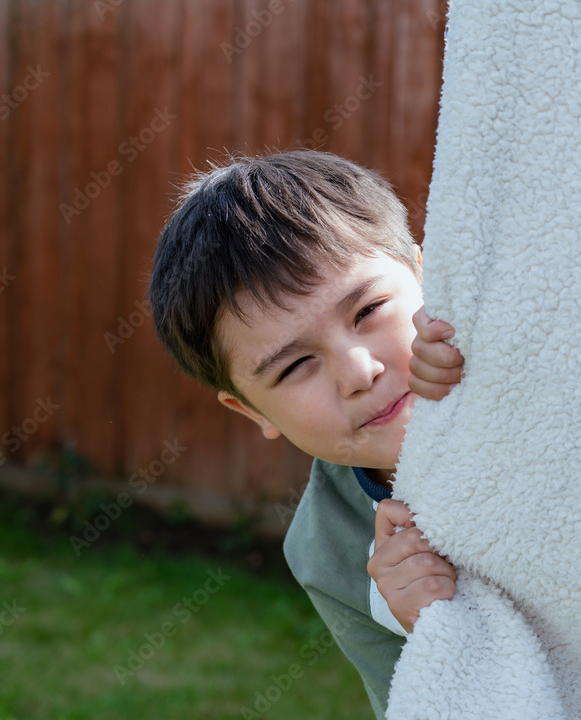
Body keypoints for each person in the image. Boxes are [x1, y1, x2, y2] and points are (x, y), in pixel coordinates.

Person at [148, 149, 465, 717]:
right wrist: (438, 635)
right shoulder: (326, 552)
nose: (358, 372)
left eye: (368, 310)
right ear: (251, 412)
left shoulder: (527, 382)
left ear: (423, 273)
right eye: (295, 367)